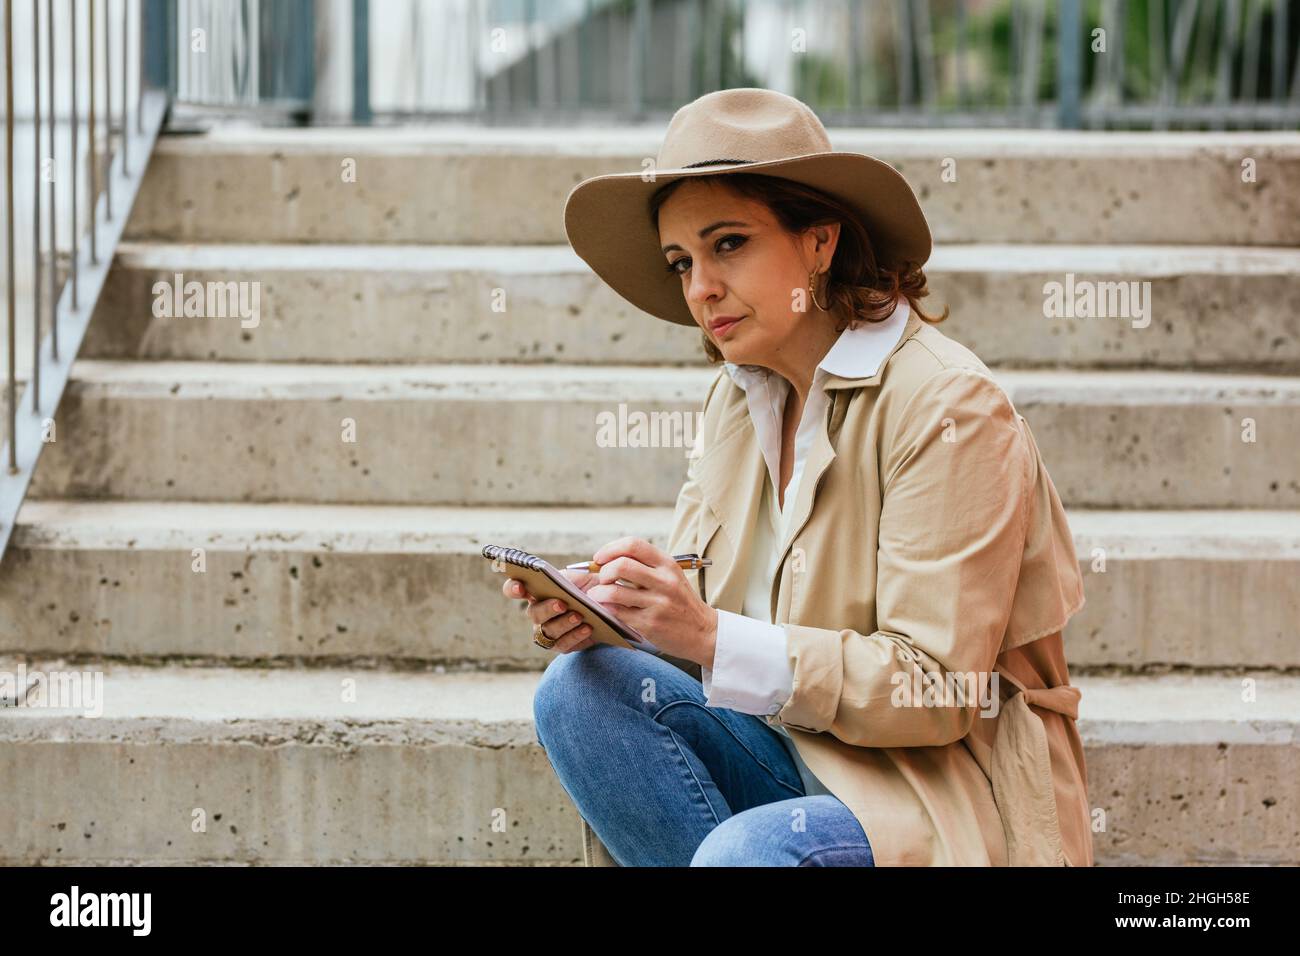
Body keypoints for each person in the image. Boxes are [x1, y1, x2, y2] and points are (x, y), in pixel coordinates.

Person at [503, 88, 1091, 867]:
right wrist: (619, 615)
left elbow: (938, 691)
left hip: (934, 794)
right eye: (682, 261)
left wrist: (706, 634)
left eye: (729, 245)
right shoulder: (738, 397)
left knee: (745, 854)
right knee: (580, 692)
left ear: (820, 241)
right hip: (787, 754)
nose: (699, 287)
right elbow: (703, 623)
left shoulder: (949, 406)